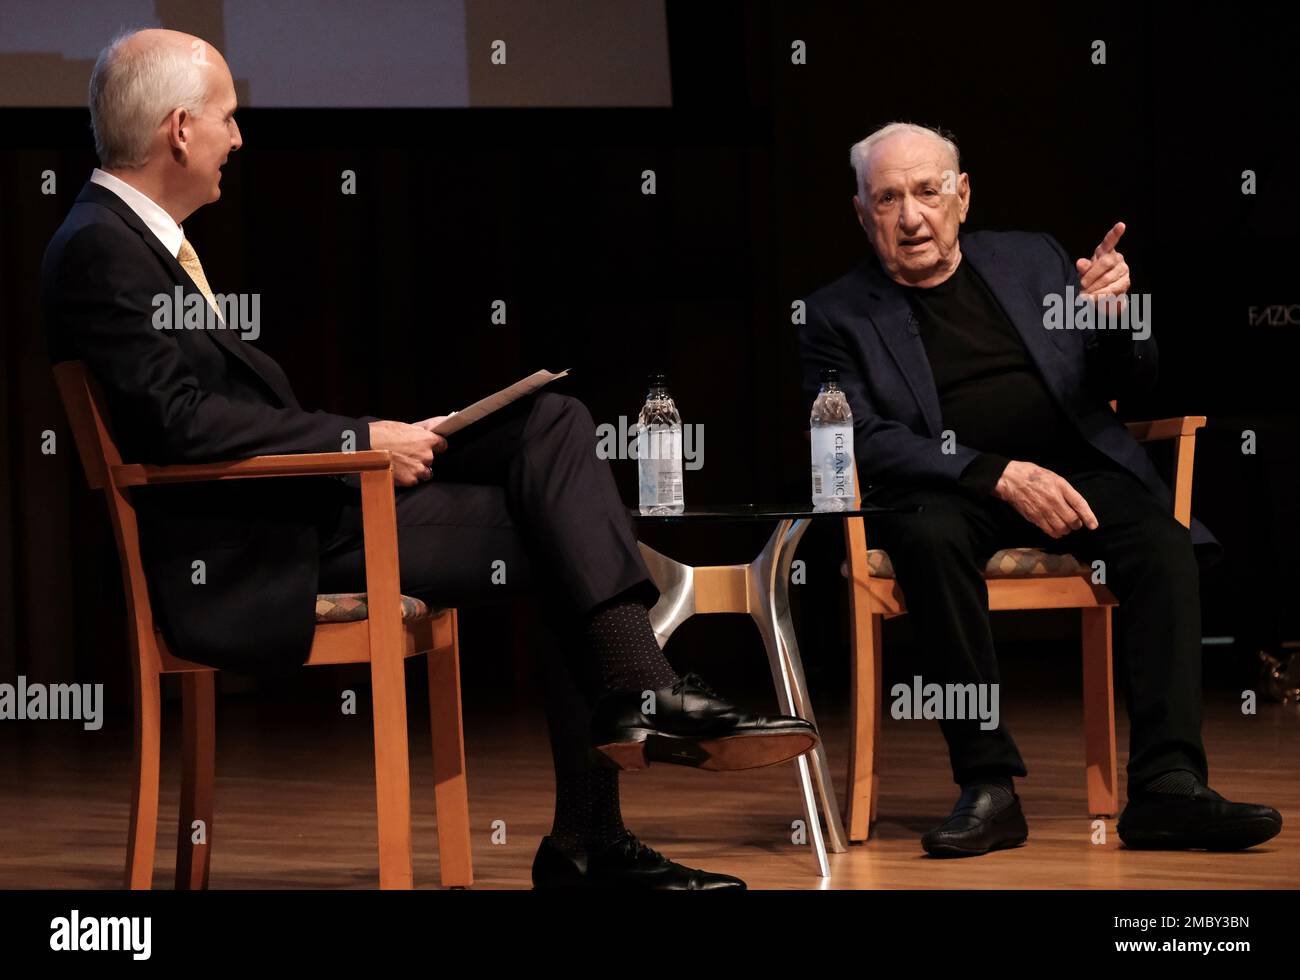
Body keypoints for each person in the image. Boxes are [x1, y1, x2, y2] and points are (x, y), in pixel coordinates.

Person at [42, 28, 817, 890]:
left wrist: (378, 432)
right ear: (181, 129)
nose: (239, 138)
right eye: (229, 118)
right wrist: (358, 442)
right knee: (564, 534)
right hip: (255, 554)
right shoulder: (98, 249)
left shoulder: (127, 241)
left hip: (300, 514)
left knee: (550, 420)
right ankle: (606, 796)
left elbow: (207, 413)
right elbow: (177, 426)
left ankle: (629, 731)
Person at [798, 121, 1281, 857]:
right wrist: (992, 473)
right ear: (863, 213)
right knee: (925, 535)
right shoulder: (836, 312)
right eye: (888, 198)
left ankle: (1167, 786)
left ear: (961, 196)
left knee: (1160, 539)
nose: (912, 216)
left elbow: (1128, 382)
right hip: (950, 490)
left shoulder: (1034, 259)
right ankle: (988, 786)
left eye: (927, 191)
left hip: (1074, 470)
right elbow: (853, 433)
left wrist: (1116, 318)